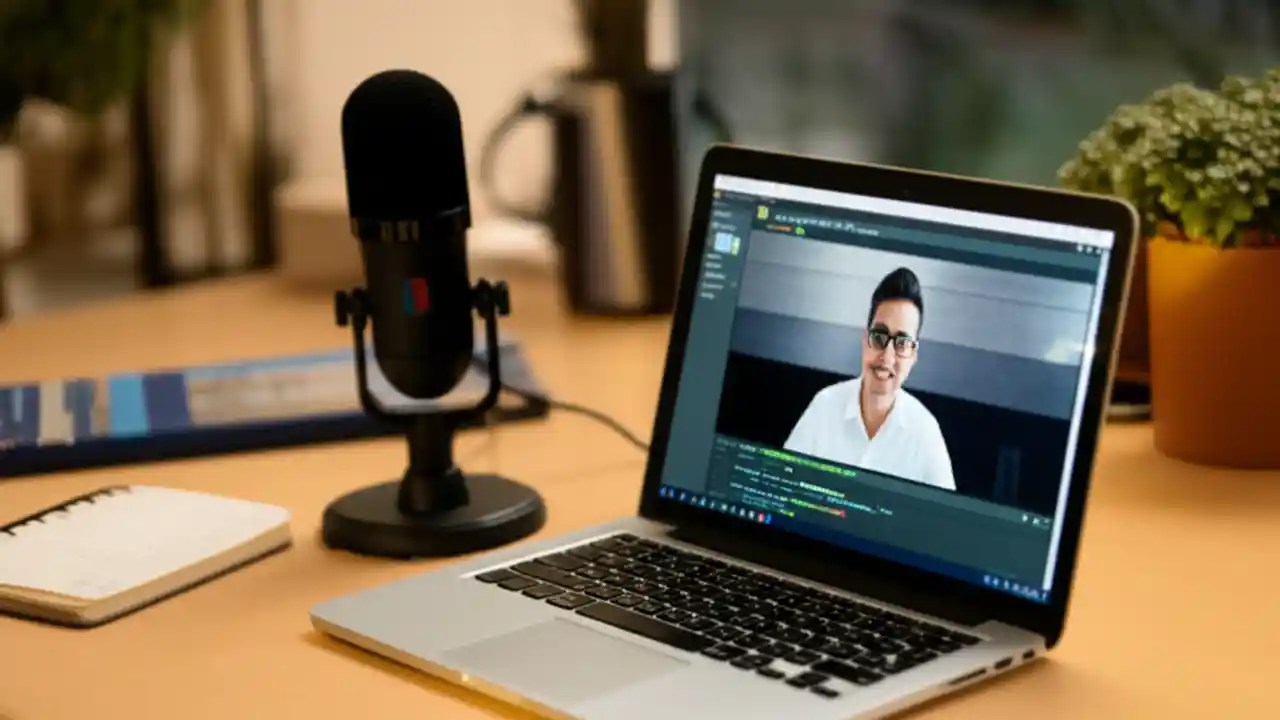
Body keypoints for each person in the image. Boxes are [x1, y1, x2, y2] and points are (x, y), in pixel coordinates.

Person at [784, 267, 955, 490]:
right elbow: (783, 484)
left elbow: (941, 510)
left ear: (913, 355)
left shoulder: (926, 432)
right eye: (879, 336)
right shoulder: (824, 406)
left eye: (902, 343)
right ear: (865, 340)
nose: (887, 356)